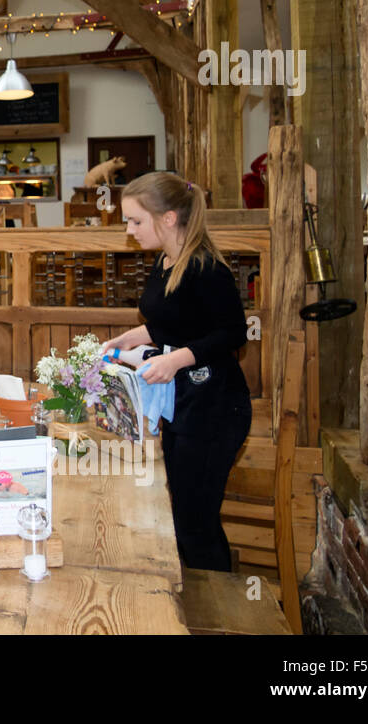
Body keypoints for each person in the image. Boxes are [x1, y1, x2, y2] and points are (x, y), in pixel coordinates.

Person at [101, 172, 251, 572]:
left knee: (195, 523)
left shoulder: (206, 268)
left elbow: (233, 334)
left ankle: (217, 609)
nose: (129, 231)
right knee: (183, 509)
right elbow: (171, 321)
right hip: (185, 404)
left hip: (216, 409)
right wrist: (130, 338)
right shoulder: (166, 261)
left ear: (168, 218)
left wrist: (175, 360)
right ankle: (193, 593)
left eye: (135, 221)